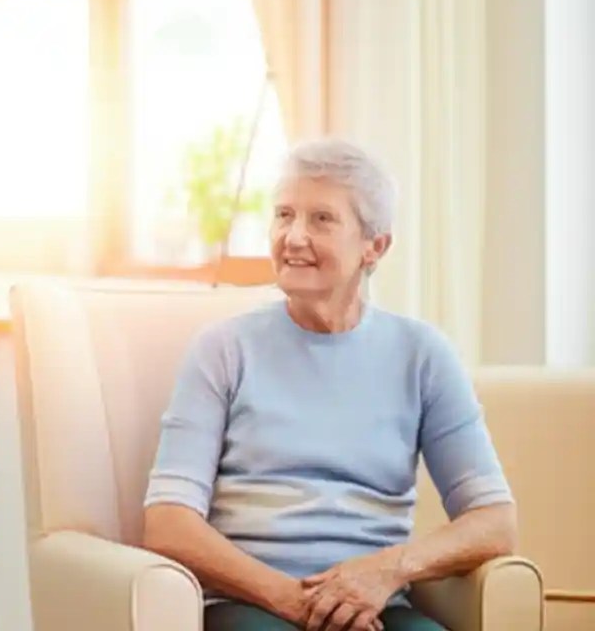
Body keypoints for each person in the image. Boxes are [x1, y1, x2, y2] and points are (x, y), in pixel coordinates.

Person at [142, 140, 518, 631]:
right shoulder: (224, 350)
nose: (293, 237)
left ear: (375, 246)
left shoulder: (423, 356)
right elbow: (168, 522)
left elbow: (495, 521)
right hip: (249, 605)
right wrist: (296, 602)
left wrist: (387, 571)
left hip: (378, 607)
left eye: (321, 219)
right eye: (283, 215)